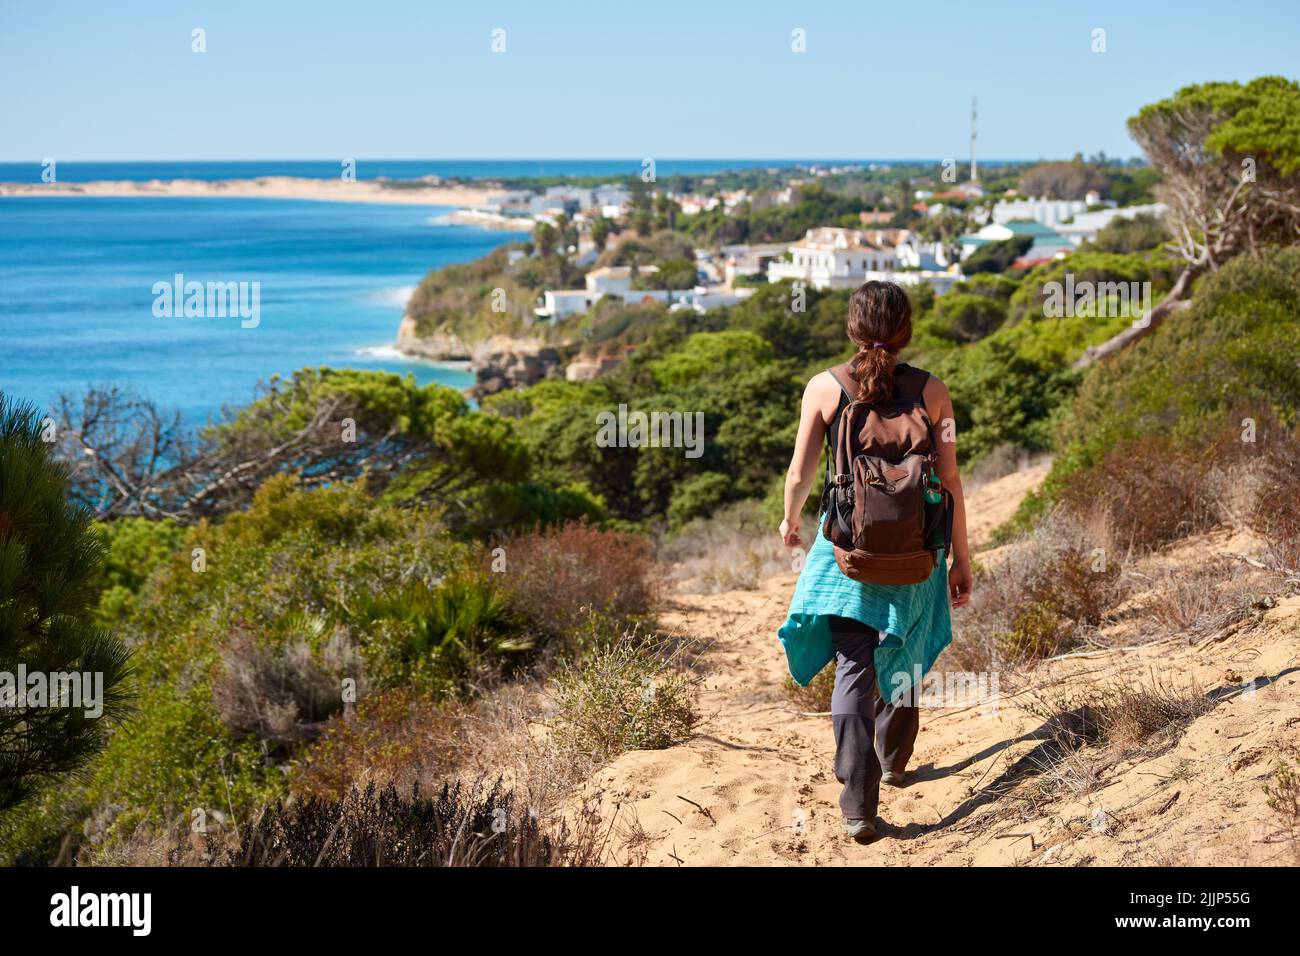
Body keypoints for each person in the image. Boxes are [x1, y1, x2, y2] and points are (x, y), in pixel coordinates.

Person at [776, 280, 972, 844]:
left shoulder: (824, 387)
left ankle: (859, 803)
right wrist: (960, 557)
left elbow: (799, 474)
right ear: (907, 331)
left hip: (846, 553)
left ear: (851, 329)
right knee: (905, 644)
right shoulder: (934, 393)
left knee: (854, 665)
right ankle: (895, 759)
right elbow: (951, 479)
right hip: (917, 553)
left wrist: (791, 522)